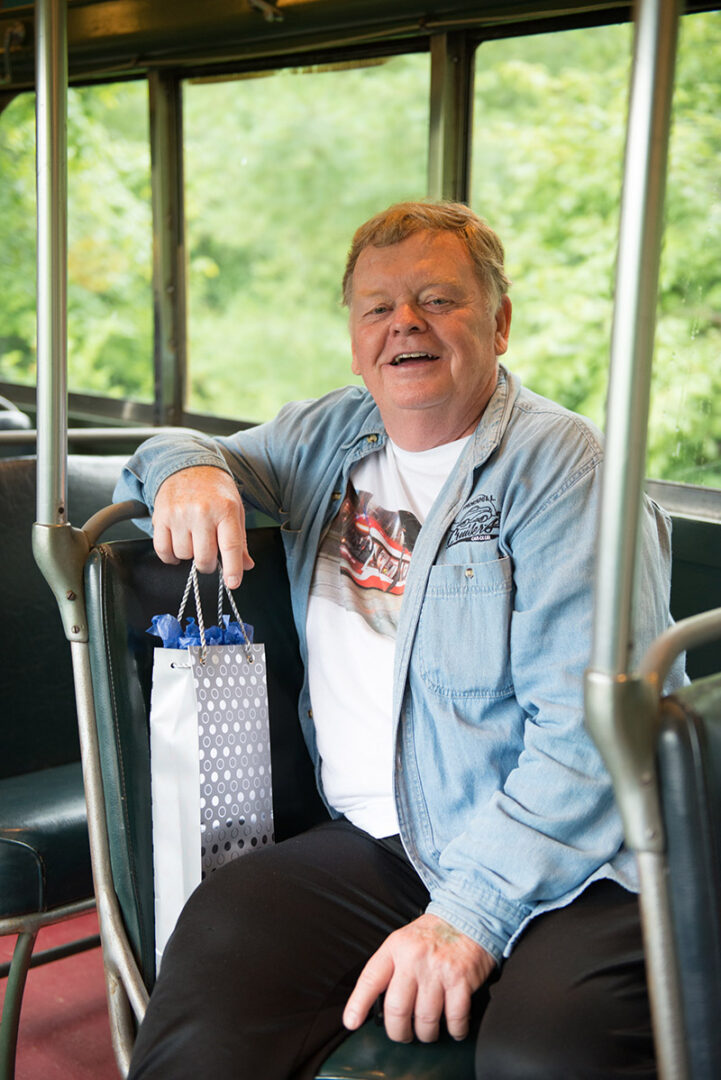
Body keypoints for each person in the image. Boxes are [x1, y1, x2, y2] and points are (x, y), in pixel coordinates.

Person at [115, 201, 684, 1079]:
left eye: (436, 300)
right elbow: (181, 448)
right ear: (354, 338)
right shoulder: (325, 437)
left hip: (573, 854)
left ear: (498, 323)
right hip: (377, 843)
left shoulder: (563, 470)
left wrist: (468, 916)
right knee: (224, 938)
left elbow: (588, 740)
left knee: (544, 1052)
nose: (403, 325)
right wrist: (187, 469)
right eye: (377, 308)